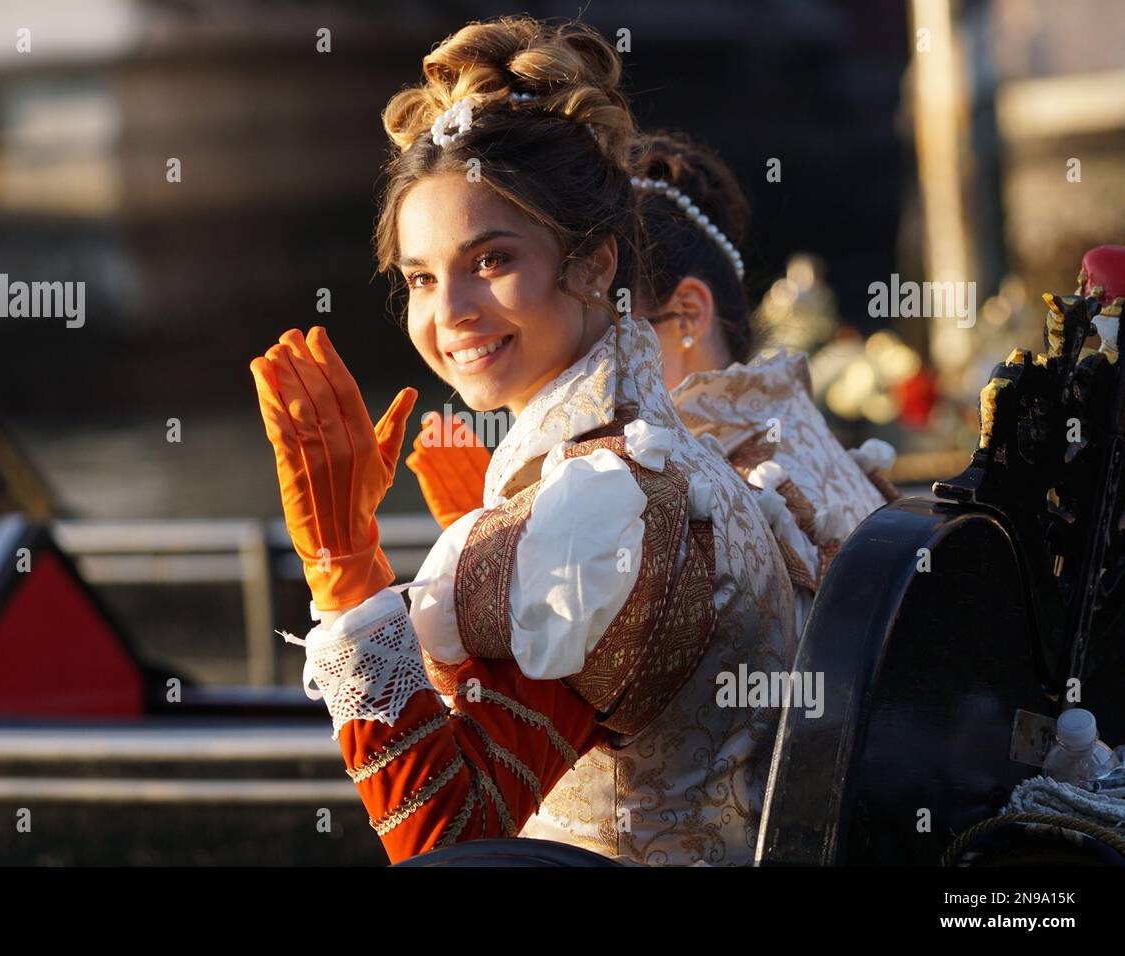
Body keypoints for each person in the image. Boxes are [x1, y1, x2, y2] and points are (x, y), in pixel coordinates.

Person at [251, 17, 795, 866]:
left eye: (492, 260)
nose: (450, 312)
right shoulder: (659, 460)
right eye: (423, 278)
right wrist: (492, 529)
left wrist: (345, 567)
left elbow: (449, 843)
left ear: (593, 266)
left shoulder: (605, 505)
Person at [630, 131, 898, 619]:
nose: (593, 370)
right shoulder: (785, 426)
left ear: (688, 314)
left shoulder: (731, 480)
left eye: (613, 333)